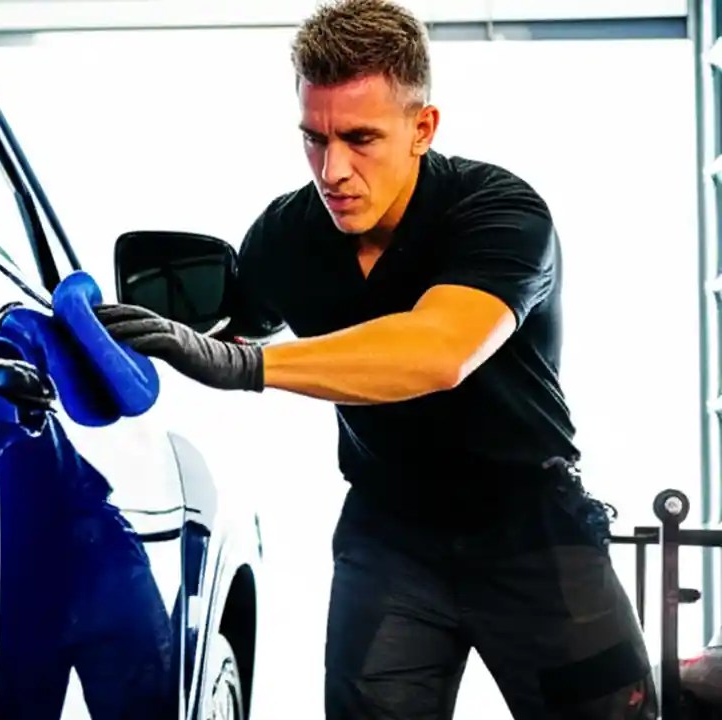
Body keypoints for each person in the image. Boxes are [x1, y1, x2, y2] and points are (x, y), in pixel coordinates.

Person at [97, 1, 657, 718]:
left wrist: (243, 370)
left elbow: (438, 351)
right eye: (314, 139)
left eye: (361, 138)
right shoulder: (285, 234)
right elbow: (240, 328)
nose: (332, 170)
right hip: (389, 534)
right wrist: (142, 342)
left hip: (532, 528)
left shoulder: (500, 212)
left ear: (422, 128)